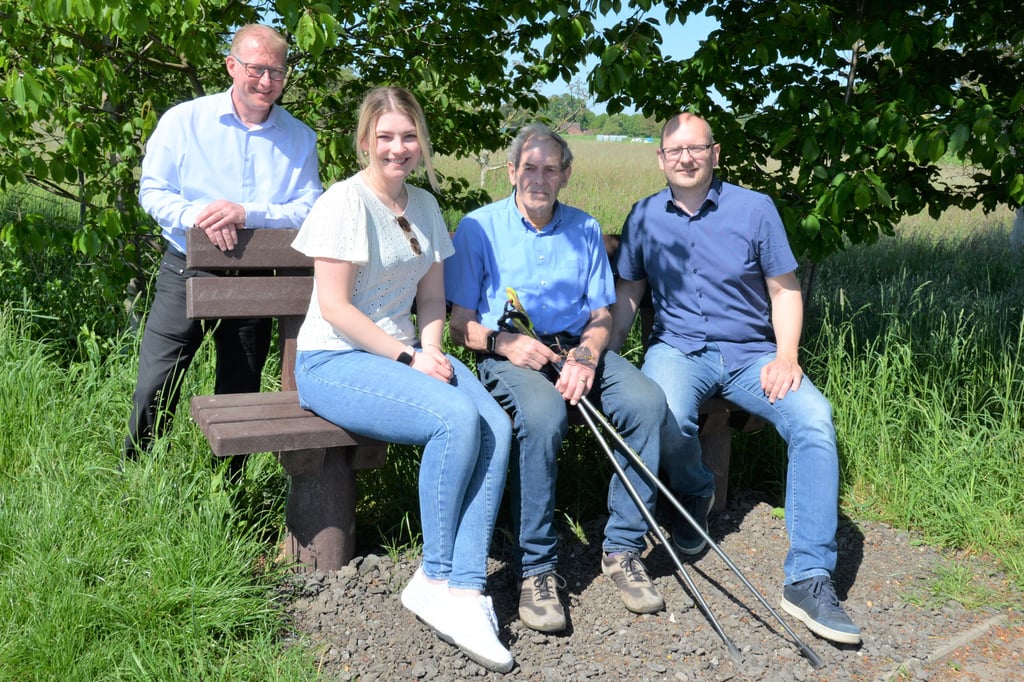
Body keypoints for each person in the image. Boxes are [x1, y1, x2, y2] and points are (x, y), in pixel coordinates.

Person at [609, 112, 862, 646]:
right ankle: (697, 491)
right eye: (675, 150)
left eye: (696, 148)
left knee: (814, 420)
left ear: (715, 153)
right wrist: (604, 357)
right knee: (663, 413)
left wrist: (787, 355)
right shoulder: (644, 216)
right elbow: (629, 293)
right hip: (678, 351)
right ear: (660, 158)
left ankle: (809, 578)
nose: (686, 158)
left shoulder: (755, 209)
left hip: (753, 356)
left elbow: (784, 290)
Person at [290, 86, 514, 673]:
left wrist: (432, 351)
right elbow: (335, 308)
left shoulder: (425, 206)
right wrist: (410, 359)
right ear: (365, 141)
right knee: (455, 418)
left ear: (421, 143)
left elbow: (433, 298)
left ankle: (466, 588)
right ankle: (434, 579)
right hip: (333, 361)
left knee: (495, 424)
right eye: (385, 136)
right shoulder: (345, 202)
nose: (398, 147)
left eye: (409, 136)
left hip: (406, 354)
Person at [446, 123, 668, 634]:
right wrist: (505, 343)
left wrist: (586, 356)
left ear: (566, 174)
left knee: (646, 403)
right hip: (510, 352)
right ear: (511, 171)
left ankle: (624, 548)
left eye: (550, 169)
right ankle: (537, 567)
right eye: (529, 167)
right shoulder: (478, 227)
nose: (538, 178)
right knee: (544, 415)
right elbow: (460, 326)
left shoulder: (585, 228)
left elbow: (602, 315)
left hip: (576, 349)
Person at [125, 24, 322, 458]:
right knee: (155, 383)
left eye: (277, 72)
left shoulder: (300, 138)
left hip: (257, 277)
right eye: (256, 69)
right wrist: (200, 217)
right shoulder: (184, 121)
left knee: (242, 390)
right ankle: (137, 474)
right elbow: (153, 190)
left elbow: (309, 208)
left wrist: (247, 212)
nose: (266, 81)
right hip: (187, 267)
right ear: (231, 65)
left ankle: (230, 488)